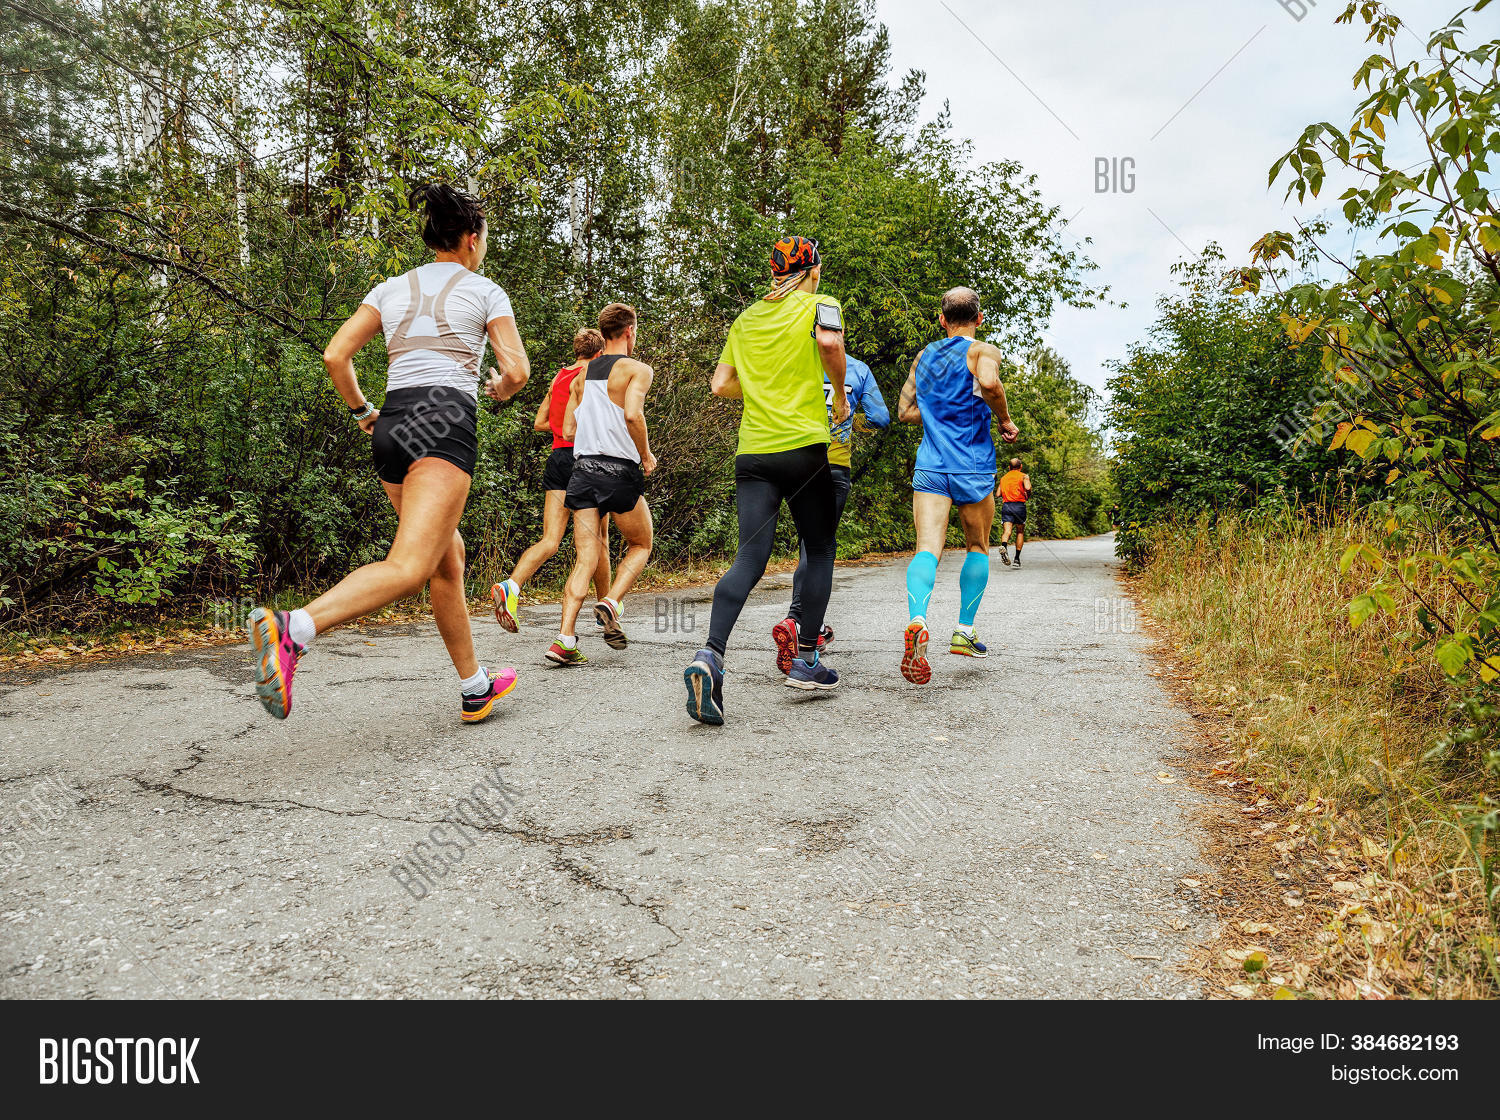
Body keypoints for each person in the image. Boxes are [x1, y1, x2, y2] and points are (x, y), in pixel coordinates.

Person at [248, 184, 529, 724]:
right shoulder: (486, 290)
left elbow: (336, 354)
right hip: (443, 426)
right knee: (409, 565)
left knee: (447, 559)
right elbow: (516, 371)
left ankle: (475, 687)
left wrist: (362, 412)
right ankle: (294, 629)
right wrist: (498, 389)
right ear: (472, 239)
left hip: (393, 425)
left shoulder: (390, 288)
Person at [683, 235, 848, 724]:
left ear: (775, 274)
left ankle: (710, 654)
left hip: (753, 453)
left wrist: (761, 392)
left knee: (750, 557)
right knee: (817, 549)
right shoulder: (822, 304)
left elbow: (720, 384)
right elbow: (830, 343)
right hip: (804, 449)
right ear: (813, 270)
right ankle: (806, 659)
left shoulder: (746, 318)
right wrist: (838, 395)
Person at [896, 286, 1018, 683]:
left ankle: (918, 619)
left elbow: (905, 410)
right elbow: (990, 384)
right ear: (978, 319)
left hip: (932, 465)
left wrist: (936, 419)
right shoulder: (982, 350)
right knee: (978, 545)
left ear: (942, 319)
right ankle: (964, 631)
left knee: (927, 548)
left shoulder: (924, 356)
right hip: (973, 467)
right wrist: (1002, 419)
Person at [546, 302, 656, 665]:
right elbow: (632, 414)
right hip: (619, 469)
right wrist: (646, 455)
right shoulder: (637, 369)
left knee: (585, 558)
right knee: (641, 543)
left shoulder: (582, 374)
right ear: (629, 331)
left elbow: (567, 429)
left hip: (583, 470)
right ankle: (610, 601)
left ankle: (564, 639)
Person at [771, 350, 889, 672]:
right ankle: (797, 621)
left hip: (795, 463)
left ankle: (815, 626)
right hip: (834, 466)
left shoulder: (798, 360)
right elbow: (881, 417)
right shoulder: (859, 369)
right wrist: (850, 418)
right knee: (819, 548)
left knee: (809, 546)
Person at [490, 328, 611, 631]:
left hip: (558, 458)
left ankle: (512, 586)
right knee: (599, 539)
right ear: (600, 352)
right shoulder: (597, 374)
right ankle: (607, 609)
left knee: (550, 540)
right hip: (586, 460)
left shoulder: (559, 377)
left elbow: (540, 422)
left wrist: (562, 429)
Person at [997, 458, 1032, 568]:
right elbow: (1028, 487)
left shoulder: (1004, 478)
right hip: (1019, 506)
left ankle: (1004, 546)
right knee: (1020, 532)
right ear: (1020, 466)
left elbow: (998, 494)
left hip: (1007, 506)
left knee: (1007, 531)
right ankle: (1017, 559)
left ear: (1009, 467)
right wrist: (1028, 494)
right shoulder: (1023, 476)